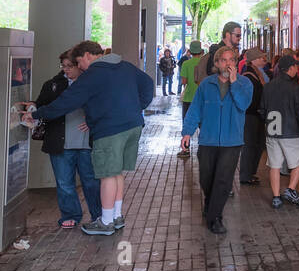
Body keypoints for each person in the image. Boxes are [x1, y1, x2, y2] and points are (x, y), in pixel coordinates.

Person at [23, 40, 155, 235]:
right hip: (133, 126)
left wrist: (35, 114)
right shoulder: (125, 66)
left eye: (78, 62)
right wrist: (137, 108)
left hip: (110, 130)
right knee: (117, 173)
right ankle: (116, 216)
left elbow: (66, 102)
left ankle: (106, 222)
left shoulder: (93, 74)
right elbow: (148, 84)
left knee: (107, 175)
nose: (79, 67)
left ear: (86, 55)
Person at [181, 45, 252, 234]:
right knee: (206, 178)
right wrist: (187, 132)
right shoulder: (206, 84)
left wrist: (234, 82)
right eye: (224, 60)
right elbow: (195, 109)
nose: (228, 64)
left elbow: (243, 104)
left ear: (236, 64)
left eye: (232, 60)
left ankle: (215, 218)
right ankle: (210, 205)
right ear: (217, 63)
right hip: (208, 139)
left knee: (223, 180)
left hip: (232, 141)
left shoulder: (244, 84)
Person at [34, 49, 102, 228]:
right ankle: (70, 214)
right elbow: (41, 106)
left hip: (87, 142)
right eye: (63, 66)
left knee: (91, 181)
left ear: (80, 65)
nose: (66, 70)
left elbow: (105, 107)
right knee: (64, 182)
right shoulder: (53, 85)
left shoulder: (93, 83)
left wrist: (93, 121)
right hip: (60, 141)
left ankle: (98, 214)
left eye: (70, 66)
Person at [261, 53, 299, 209]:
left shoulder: (268, 86)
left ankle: (276, 197)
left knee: (274, 165)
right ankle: (290, 190)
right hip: (291, 132)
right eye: (296, 66)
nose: (297, 69)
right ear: (291, 68)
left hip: (272, 130)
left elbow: (262, 109)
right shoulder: (297, 87)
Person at [239, 47, 270, 185]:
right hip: (250, 115)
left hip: (256, 115)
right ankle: (246, 175)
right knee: (250, 145)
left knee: (258, 144)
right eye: (261, 58)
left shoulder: (257, 73)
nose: (263, 60)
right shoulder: (248, 75)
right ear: (254, 60)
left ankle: (250, 172)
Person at [178, 40, 204, 158]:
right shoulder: (204, 63)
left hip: (189, 98)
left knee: (187, 123)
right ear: (201, 51)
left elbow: (184, 81)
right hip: (203, 98)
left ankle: (186, 149)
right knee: (203, 125)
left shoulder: (186, 64)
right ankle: (204, 148)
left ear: (190, 51)